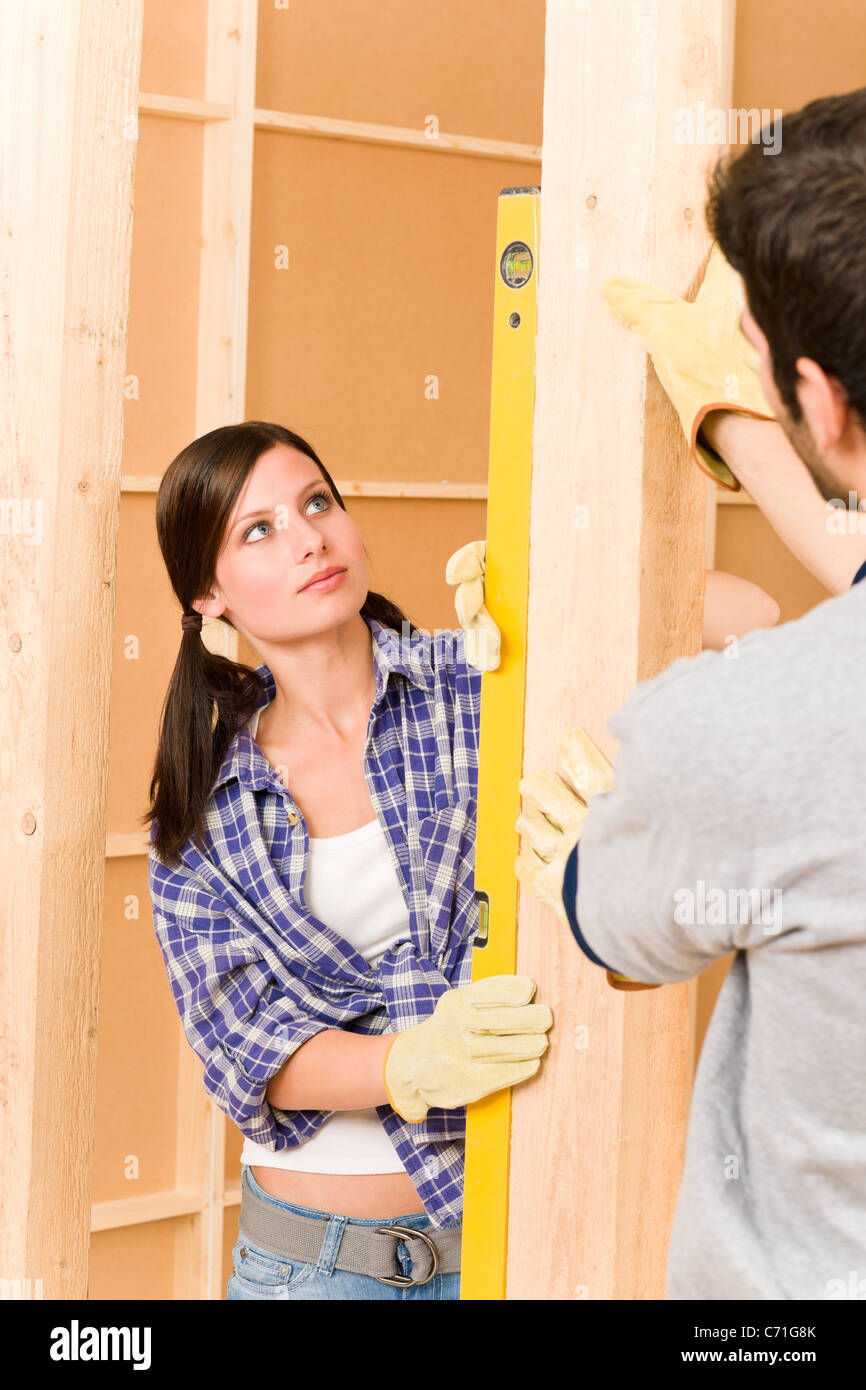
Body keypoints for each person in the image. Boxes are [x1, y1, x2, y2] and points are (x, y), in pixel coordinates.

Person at [515, 87, 866, 1299]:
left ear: (820, 399)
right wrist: (744, 428)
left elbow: (612, 925)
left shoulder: (750, 726)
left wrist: (586, 858)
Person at [143, 420, 555, 1301]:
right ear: (207, 595)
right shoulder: (203, 812)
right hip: (313, 1270)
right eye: (258, 531)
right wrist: (409, 1062)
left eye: (316, 502)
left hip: (513, 1241)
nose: (309, 539)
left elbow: (735, 613)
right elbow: (248, 1048)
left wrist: (555, 596)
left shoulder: (484, 684)